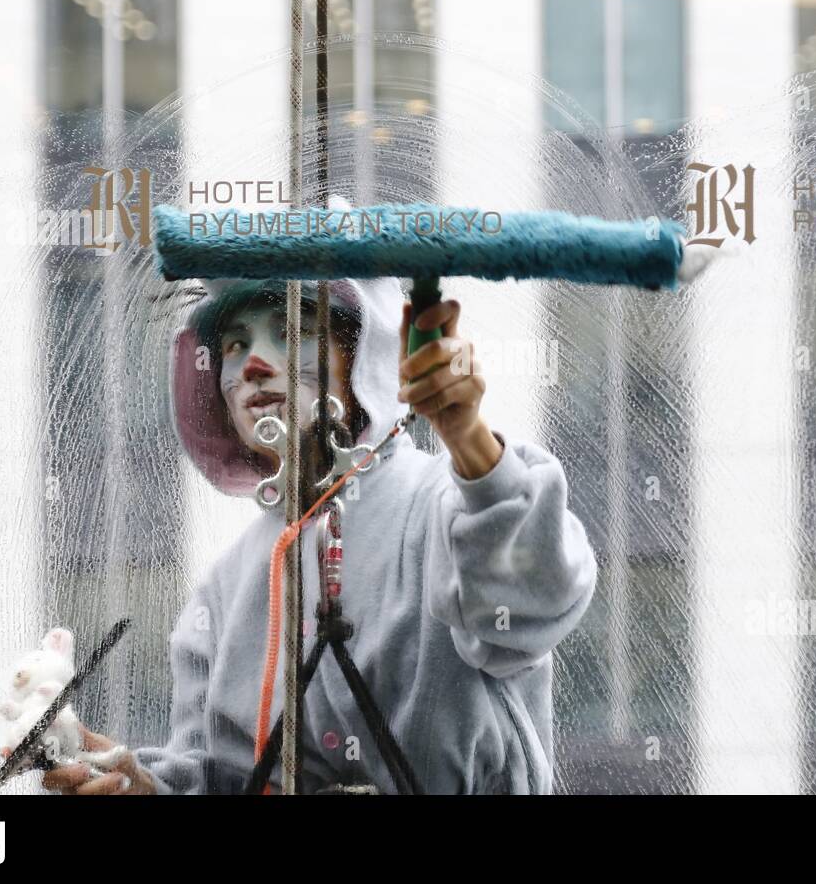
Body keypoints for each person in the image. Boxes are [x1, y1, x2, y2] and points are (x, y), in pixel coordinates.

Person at [39, 274, 598, 794]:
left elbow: (534, 607)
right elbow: (219, 777)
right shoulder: (223, 589)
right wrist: (132, 781)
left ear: (368, 356)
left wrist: (468, 437)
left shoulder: (453, 508)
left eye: (294, 330)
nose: (253, 363)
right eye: (234, 344)